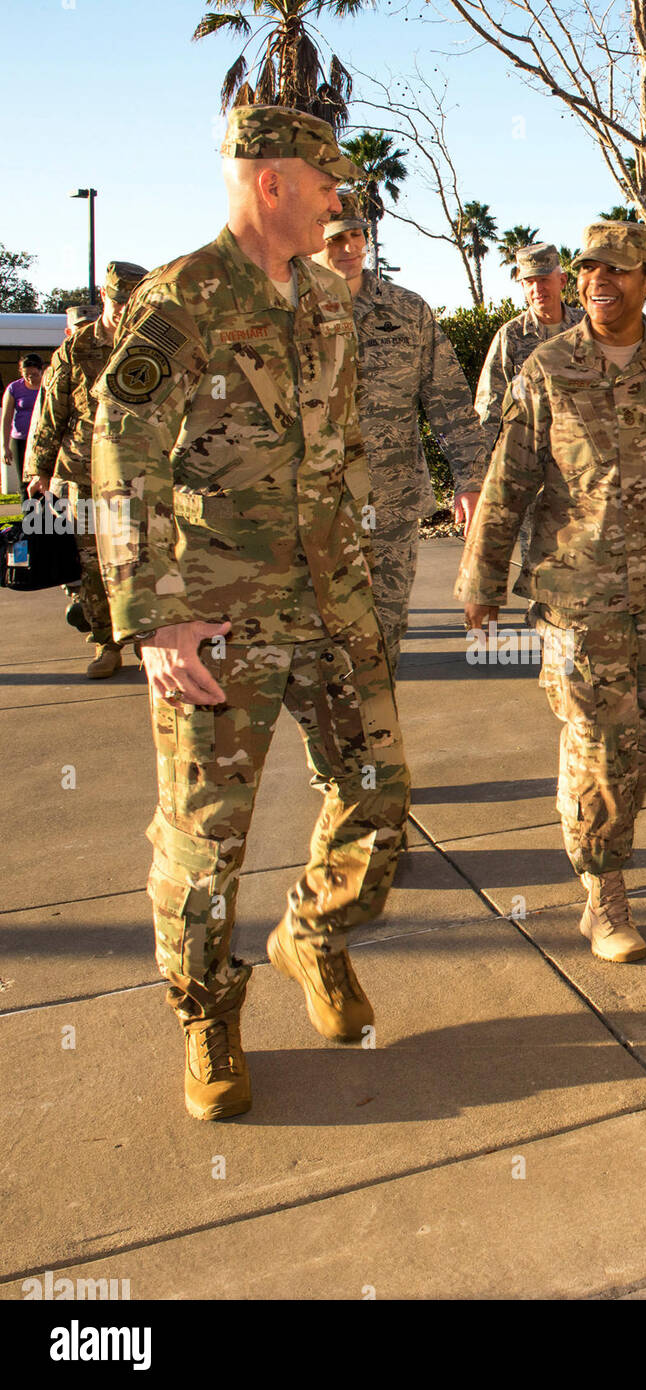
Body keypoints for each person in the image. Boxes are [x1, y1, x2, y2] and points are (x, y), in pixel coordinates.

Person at [91, 105, 411, 1122]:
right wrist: (152, 615)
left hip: (335, 603)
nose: (337, 200)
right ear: (272, 182)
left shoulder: (326, 296)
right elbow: (119, 456)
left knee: (380, 796)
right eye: (325, 181)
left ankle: (312, 932)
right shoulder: (179, 301)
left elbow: (342, 439)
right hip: (217, 620)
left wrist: (360, 573)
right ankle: (206, 1015)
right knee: (205, 842)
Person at [456, 221, 646, 963]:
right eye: (591, 267)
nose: (600, 280)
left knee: (644, 731)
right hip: (577, 593)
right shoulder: (549, 365)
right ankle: (604, 892)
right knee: (598, 739)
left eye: (619, 271)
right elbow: (510, 479)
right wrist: (483, 581)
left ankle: (602, 852)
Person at [311, 192, 488, 673]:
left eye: (356, 235)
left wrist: (470, 480)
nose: (348, 248)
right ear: (312, 240)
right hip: (313, 511)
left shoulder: (408, 311)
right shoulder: (287, 311)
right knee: (321, 644)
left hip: (392, 504)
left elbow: (449, 401)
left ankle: (373, 737)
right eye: (334, 238)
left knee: (384, 633)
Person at [26, 263, 147, 676]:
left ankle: (144, 643)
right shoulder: (76, 349)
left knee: (139, 561)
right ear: (104, 297)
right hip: (84, 472)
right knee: (93, 564)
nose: (124, 310)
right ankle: (105, 644)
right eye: (118, 302)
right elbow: (50, 414)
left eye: (133, 302)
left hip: (139, 472)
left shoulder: (152, 343)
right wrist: (38, 470)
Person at [476, 243, 584, 558]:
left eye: (544, 279)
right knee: (537, 560)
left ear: (562, 281)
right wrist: (486, 473)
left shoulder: (588, 330)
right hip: (532, 469)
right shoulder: (510, 337)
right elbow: (489, 408)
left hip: (583, 466)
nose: (537, 288)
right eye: (529, 281)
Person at [1, 354, 43, 498]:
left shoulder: (47, 386)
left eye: (34, 374)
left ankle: (47, 518)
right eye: (26, 375)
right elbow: (6, 418)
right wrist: (4, 446)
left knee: (43, 480)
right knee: (25, 482)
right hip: (21, 440)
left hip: (43, 440)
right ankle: (29, 516)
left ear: (41, 371)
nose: (30, 378)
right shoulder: (14, 388)